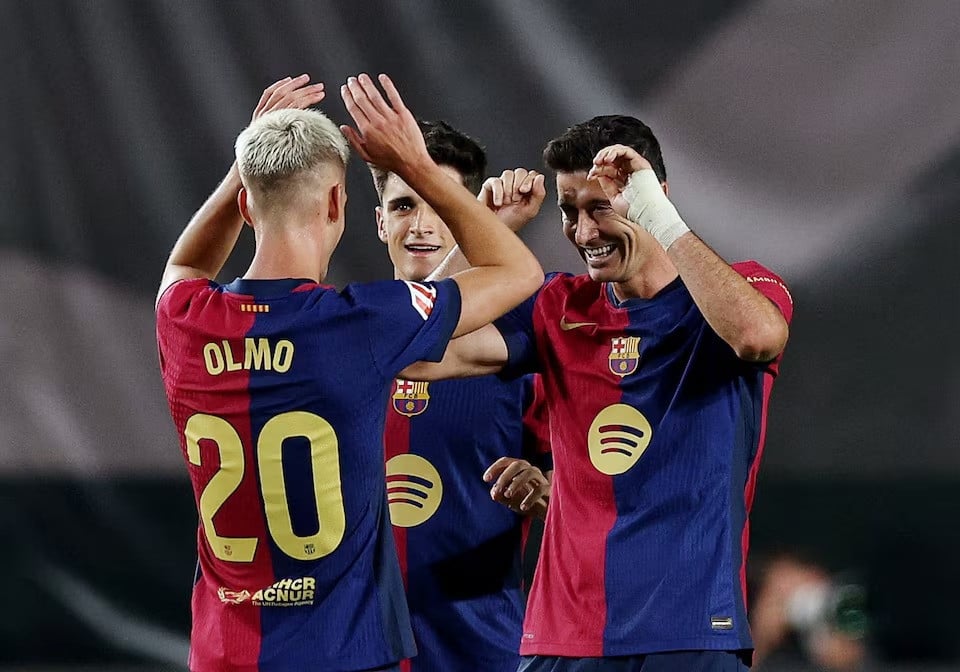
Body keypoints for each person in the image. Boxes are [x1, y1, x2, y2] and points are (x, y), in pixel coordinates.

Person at [155, 73, 542, 672]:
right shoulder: (358, 324)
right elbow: (517, 272)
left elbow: (183, 262)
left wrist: (248, 159)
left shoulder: (184, 317)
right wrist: (414, 160)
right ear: (339, 203)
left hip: (223, 652)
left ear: (243, 206)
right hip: (342, 651)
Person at [404, 115, 793, 671]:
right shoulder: (557, 308)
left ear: (653, 199)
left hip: (687, 631)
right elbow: (413, 353)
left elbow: (757, 337)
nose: (583, 234)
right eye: (569, 212)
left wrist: (660, 219)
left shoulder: (738, 294)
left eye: (601, 208)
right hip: (564, 639)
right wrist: (482, 230)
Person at [372, 119, 552, 672]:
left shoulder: (519, 342)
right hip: (352, 645)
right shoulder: (339, 331)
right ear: (380, 222)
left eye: (444, 206)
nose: (423, 225)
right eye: (404, 206)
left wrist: (550, 485)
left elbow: (586, 477)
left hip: (480, 651)